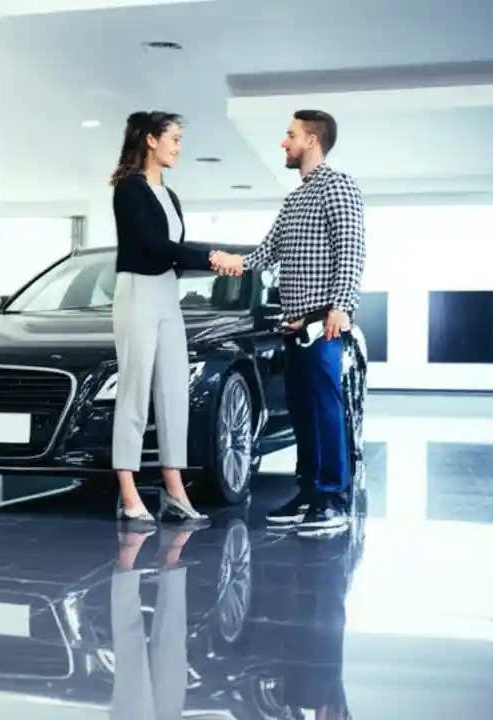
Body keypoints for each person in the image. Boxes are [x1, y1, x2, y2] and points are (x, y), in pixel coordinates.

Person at [212, 110, 366, 532]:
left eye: (290, 135)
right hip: (293, 326)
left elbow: (352, 248)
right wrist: (232, 262)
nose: (284, 143)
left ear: (312, 141)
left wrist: (342, 305)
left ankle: (334, 498)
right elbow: (266, 253)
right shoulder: (295, 198)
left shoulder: (338, 186)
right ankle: (310, 491)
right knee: (303, 412)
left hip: (323, 322)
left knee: (326, 409)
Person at [109, 110, 233, 528]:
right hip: (138, 292)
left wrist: (208, 260)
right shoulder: (129, 189)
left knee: (173, 392)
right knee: (135, 391)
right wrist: (212, 257)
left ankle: (174, 490)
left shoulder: (170, 195)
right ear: (150, 140)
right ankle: (127, 491)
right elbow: (153, 245)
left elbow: (171, 250)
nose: (178, 147)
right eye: (174, 139)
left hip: (166, 296)